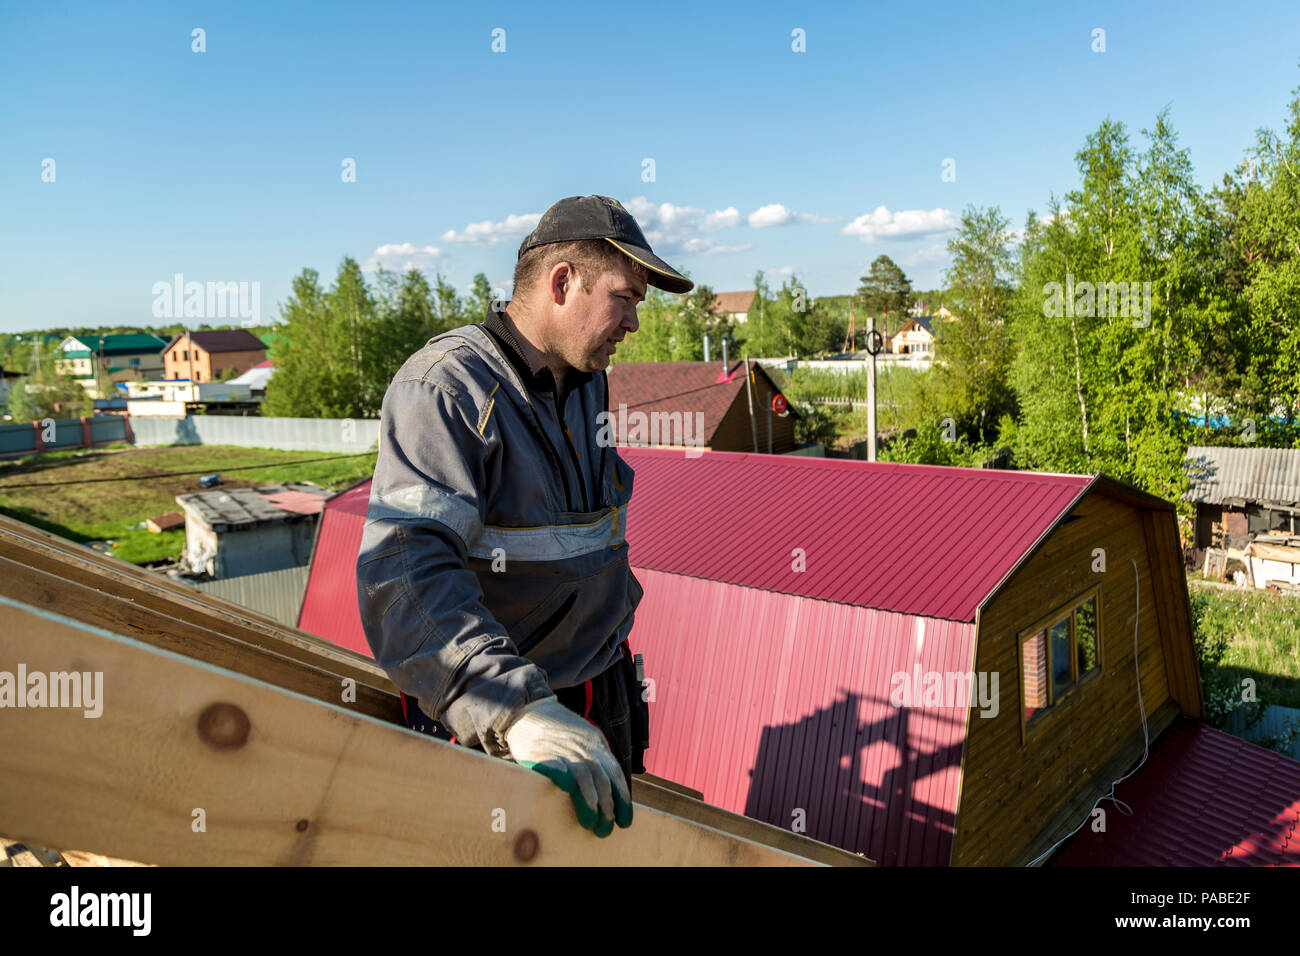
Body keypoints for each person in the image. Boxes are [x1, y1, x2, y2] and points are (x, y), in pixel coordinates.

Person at [355, 195, 694, 838]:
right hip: (510, 731)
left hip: (596, 702)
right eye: (625, 298)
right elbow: (405, 578)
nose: (634, 324)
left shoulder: (586, 381)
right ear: (562, 282)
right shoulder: (444, 389)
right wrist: (515, 709)